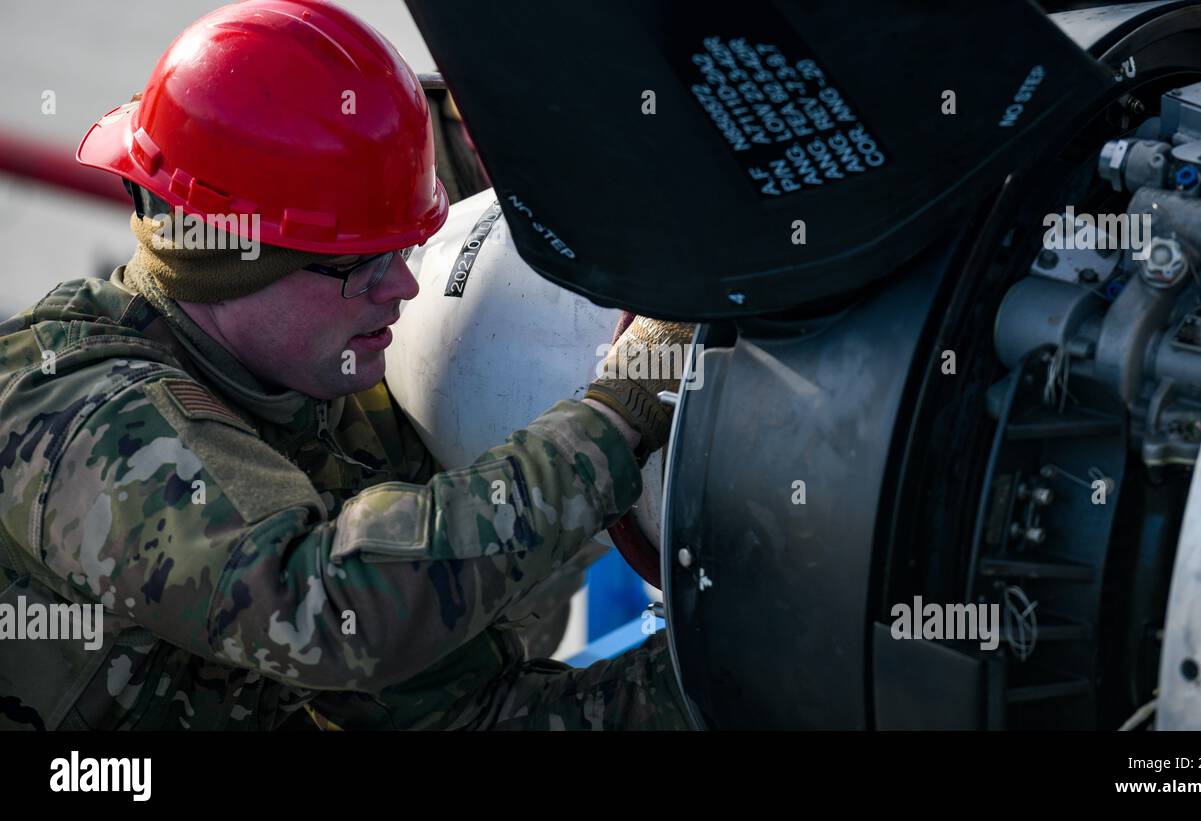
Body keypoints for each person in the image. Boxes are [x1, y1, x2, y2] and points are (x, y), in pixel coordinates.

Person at [0, 0, 693, 730]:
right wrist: (620, 411)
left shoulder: (336, 413)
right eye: (359, 265)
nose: (403, 286)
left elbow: (472, 718)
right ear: (227, 261)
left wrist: (741, 671)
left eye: (402, 249)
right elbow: (321, 609)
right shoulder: (71, 411)